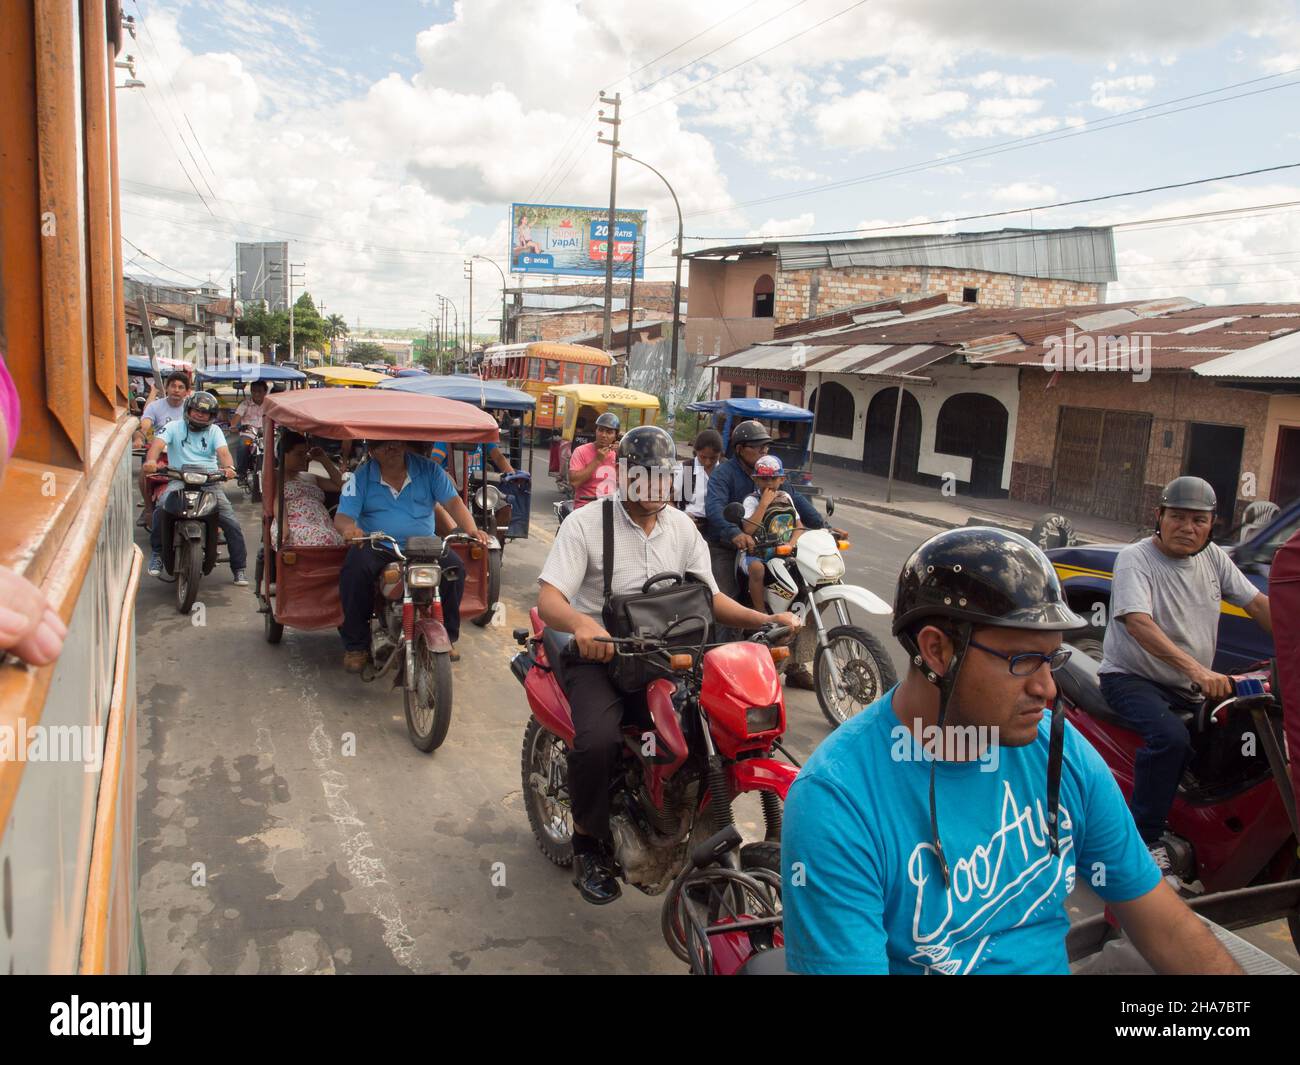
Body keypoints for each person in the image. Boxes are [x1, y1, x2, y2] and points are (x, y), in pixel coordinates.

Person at [782, 525, 1243, 975]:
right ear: (938, 652)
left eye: (1053, 659)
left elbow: (1161, 922)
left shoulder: (1059, 752)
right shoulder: (838, 800)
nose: (1047, 689)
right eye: (1023, 661)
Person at [536, 425, 803, 905]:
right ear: (622, 476)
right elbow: (550, 598)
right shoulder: (586, 524)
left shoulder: (681, 528)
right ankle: (588, 844)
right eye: (642, 477)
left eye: (661, 479)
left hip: (671, 655)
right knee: (596, 740)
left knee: (710, 738)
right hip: (604, 655)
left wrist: (767, 618)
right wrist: (581, 624)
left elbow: (713, 598)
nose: (653, 489)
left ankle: (694, 838)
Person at [1098, 476, 1271, 883]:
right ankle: (1145, 840)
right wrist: (1197, 671)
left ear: (1212, 525)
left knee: (1227, 747)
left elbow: (1258, 603)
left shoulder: (1213, 558)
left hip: (1187, 685)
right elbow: (1137, 622)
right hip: (1132, 677)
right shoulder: (1136, 559)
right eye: (1177, 517)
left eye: (1198, 520)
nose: (1187, 527)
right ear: (1159, 517)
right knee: (1172, 739)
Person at [333, 439, 490, 673]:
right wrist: (350, 530)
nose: (391, 448)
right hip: (379, 543)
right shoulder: (359, 477)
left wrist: (472, 529)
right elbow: (343, 517)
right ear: (372, 451)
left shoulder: (430, 470)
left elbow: (454, 503)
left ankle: (447, 635)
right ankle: (356, 645)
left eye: (395, 443)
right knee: (354, 572)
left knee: (455, 569)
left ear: (404, 444)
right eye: (382, 445)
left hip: (424, 544)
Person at [704, 419, 828, 687]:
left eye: (766, 446)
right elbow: (714, 510)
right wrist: (734, 533)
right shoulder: (724, 474)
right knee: (728, 599)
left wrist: (825, 527)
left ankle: (794, 665)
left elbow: (799, 506)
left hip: (773, 548)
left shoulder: (772, 471)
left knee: (807, 594)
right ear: (740, 449)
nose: (763, 452)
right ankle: (726, 667)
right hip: (729, 547)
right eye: (757, 447)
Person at [142, 391, 248, 585]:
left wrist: (229, 468)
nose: (200, 414)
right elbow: (157, 445)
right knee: (161, 510)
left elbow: (223, 453)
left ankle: (239, 568)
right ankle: (157, 553)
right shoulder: (173, 427)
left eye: (205, 412)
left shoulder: (214, 431)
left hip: (209, 481)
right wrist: (150, 460)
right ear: (188, 410)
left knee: (231, 523)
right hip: (178, 479)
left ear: (211, 416)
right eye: (196, 410)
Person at [737, 455, 804, 613]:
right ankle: (761, 613)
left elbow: (799, 527)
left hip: (782, 551)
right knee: (757, 569)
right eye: (764, 479)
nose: (769, 483)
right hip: (756, 552)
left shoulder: (786, 498)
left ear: (781, 479)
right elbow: (748, 529)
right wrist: (764, 503)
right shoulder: (751, 500)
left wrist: (791, 544)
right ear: (756, 480)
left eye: (773, 479)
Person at [133, 371, 190, 528]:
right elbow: (144, 425)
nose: (176, 390)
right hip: (160, 453)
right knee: (145, 473)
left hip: (187, 454)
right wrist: (139, 437)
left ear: (187, 391)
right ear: (167, 388)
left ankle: (213, 523)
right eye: (173, 386)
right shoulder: (155, 406)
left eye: (181, 387)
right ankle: (149, 509)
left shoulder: (192, 408)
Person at [278, 431, 345, 547]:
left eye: (305, 454)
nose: (304, 458)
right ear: (284, 454)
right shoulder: (275, 476)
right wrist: (283, 528)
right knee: (328, 539)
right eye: (299, 454)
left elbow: (343, 486)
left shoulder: (310, 477)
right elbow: (276, 501)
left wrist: (324, 460)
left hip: (323, 526)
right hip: (295, 526)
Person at [673, 428, 722, 533]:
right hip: (688, 525)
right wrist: (682, 516)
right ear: (696, 452)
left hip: (719, 528)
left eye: (713, 458)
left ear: (720, 454)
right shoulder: (686, 469)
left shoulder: (725, 470)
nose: (707, 462)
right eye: (703, 457)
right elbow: (667, 500)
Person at [568, 411, 619, 507]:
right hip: (585, 506)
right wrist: (597, 460)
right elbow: (574, 482)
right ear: (595, 431)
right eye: (601, 430)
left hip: (610, 506)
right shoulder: (580, 451)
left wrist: (622, 455)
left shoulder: (618, 454)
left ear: (615, 436)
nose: (604, 435)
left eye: (609, 432)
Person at [230, 380, 269, 483]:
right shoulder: (245, 404)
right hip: (249, 434)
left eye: (259, 391)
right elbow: (236, 417)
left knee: (277, 448)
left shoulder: (270, 404)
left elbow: (278, 417)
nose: (256, 394)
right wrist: (234, 425)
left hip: (267, 434)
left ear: (265, 392)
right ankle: (241, 474)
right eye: (254, 391)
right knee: (243, 445)